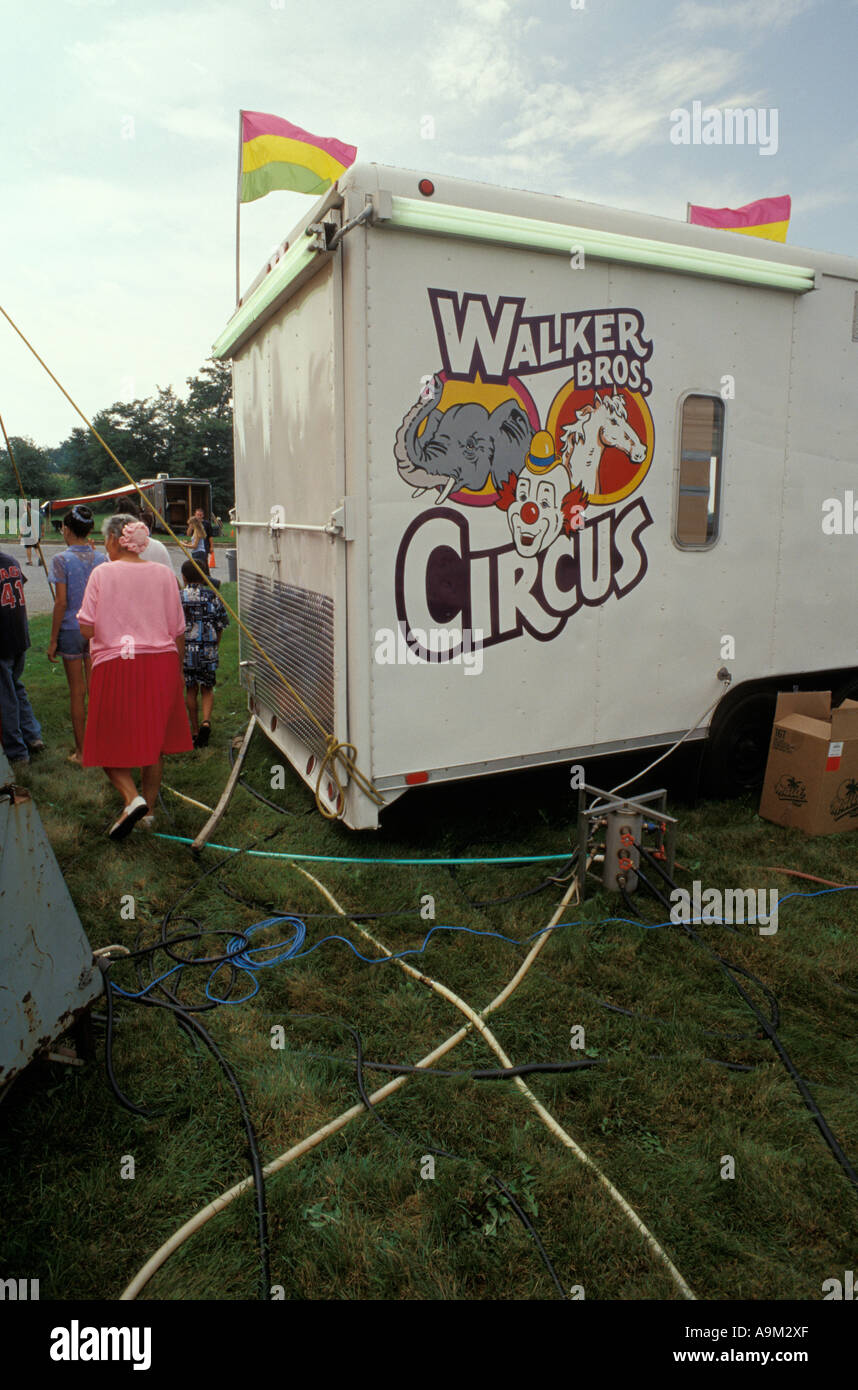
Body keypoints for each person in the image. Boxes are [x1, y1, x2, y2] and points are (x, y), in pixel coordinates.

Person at [77, 514, 193, 839]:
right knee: (152, 739)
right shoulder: (164, 575)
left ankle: (132, 798)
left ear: (115, 540)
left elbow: (86, 627)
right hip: (161, 663)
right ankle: (149, 813)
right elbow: (178, 630)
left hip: (118, 662)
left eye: (105, 540)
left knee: (105, 737)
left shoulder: (102, 573)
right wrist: (178, 670)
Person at [47, 505, 108, 764]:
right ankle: (100, 745)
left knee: (77, 692)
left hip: (72, 629)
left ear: (66, 530)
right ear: (90, 529)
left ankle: (82, 751)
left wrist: (52, 640)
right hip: (96, 629)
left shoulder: (61, 560)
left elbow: (60, 603)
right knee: (96, 689)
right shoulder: (102, 558)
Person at [0, 544, 43, 765]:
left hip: (3, 640)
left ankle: (17, 752)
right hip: (19, 635)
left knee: (4, 696)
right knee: (15, 686)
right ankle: (32, 735)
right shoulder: (11, 562)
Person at [180, 560, 229, 747]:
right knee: (207, 688)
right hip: (207, 649)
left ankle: (194, 730)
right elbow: (221, 624)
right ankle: (206, 722)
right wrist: (215, 645)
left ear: (183, 577)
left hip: (187, 652)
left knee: (190, 689)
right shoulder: (212, 596)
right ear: (204, 576)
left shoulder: (179, 596)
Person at [186, 508, 212, 572]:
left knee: (202, 568)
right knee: (200, 568)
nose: (199, 516)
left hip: (202, 549)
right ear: (195, 515)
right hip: (197, 551)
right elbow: (189, 534)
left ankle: (209, 579)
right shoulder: (195, 528)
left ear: (203, 515)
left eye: (200, 515)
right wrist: (187, 543)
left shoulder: (205, 524)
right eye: (197, 515)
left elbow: (210, 536)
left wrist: (211, 546)